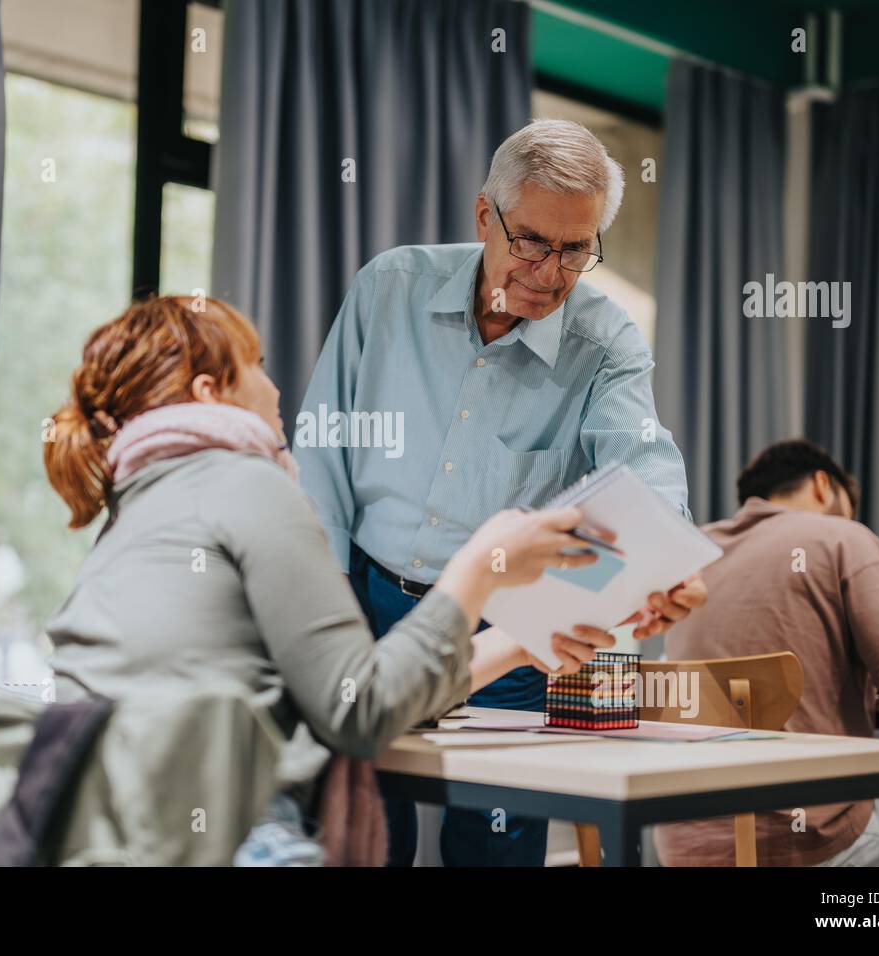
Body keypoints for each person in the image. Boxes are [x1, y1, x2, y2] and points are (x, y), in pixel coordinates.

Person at [41, 295, 620, 866]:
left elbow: (334, 691)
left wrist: (511, 644)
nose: (275, 389)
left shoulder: (131, 516)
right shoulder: (247, 482)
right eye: (258, 365)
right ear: (210, 393)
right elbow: (358, 711)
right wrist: (479, 566)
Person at [296, 118, 707, 866]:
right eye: (533, 242)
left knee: (492, 852)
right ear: (486, 214)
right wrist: (318, 618)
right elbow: (321, 459)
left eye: (575, 249)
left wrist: (664, 558)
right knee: (357, 840)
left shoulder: (606, 342)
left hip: (503, 630)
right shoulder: (388, 290)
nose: (550, 273)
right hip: (366, 604)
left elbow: (643, 462)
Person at [655, 439, 879, 866]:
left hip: (678, 836)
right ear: (823, 485)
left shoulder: (695, 558)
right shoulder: (843, 538)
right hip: (805, 837)